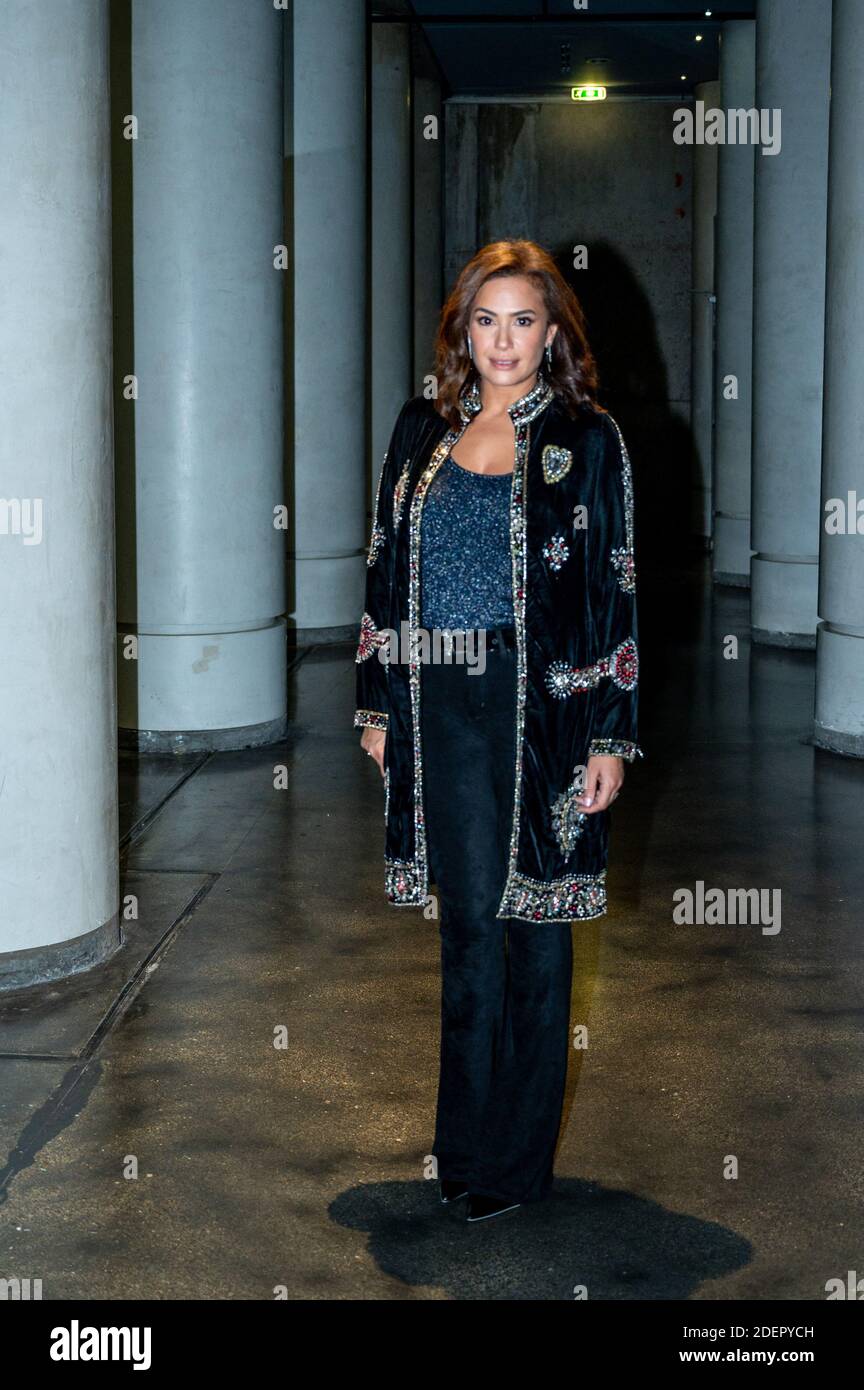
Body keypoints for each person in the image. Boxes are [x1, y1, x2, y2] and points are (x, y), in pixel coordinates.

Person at [354, 239, 642, 1222]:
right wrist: (382, 702)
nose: (504, 340)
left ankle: (514, 1167)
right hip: (442, 704)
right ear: (461, 330)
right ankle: (463, 1148)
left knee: (538, 925)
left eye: (524, 320)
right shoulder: (420, 432)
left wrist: (610, 733)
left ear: (553, 331)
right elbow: (383, 568)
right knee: (470, 926)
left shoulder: (584, 440)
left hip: (545, 705)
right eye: (486, 320)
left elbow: (614, 591)